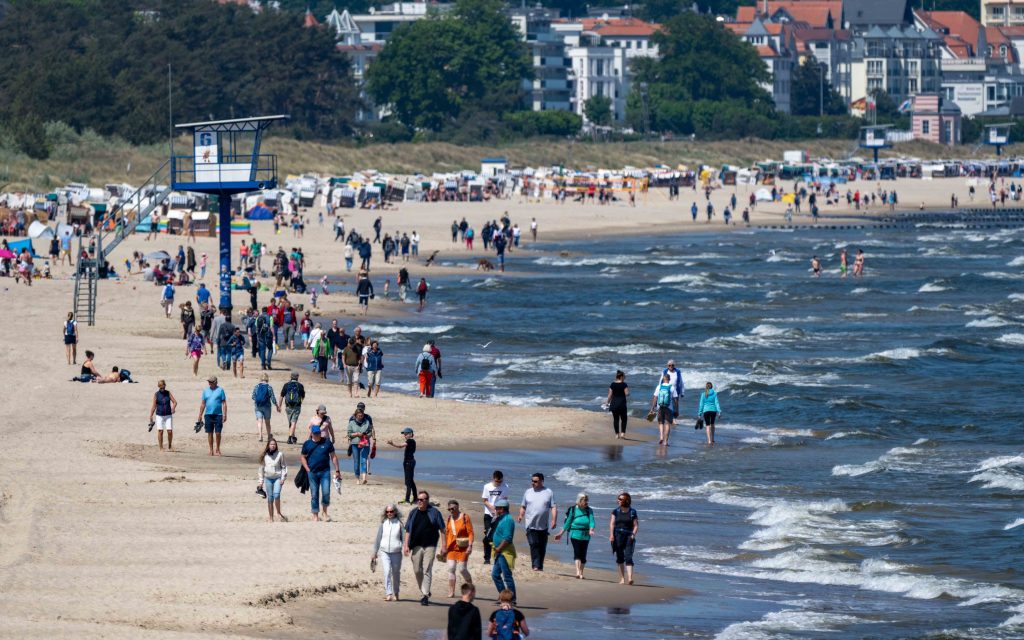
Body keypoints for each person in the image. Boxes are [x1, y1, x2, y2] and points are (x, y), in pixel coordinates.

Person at [404, 490, 446, 606]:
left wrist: (443, 546)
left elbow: (442, 529)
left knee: (427, 569)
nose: (420, 502)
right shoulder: (413, 513)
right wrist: (406, 545)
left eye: (422, 500)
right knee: (417, 570)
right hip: (416, 545)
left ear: (427, 501)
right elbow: (407, 530)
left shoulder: (435, 512)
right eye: (418, 500)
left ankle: (425, 595)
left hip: (430, 545)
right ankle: (424, 590)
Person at [300, 424, 341, 522]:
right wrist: (307, 469)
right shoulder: (307, 444)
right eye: (315, 433)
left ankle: (325, 512)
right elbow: (302, 457)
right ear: (312, 434)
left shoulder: (327, 442)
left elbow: (333, 456)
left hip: (325, 472)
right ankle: (315, 514)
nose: (317, 435)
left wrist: (337, 470)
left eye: (318, 433)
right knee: (314, 494)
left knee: (326, 492)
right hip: (312, 472)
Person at [517, 473, 556, 572]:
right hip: (530, 524)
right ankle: (535, 565)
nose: (532, 483)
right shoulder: (528, 492)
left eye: (535, 481)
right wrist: (521, 515)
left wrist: (554, 519)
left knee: (542, 546)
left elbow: (553, 507)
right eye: (532, 481)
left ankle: (540, 566)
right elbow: (523, 506)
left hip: (543, 525)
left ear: (542, 481)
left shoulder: (548, 492)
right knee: (533, 544)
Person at [553, 493, 596, 579]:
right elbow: (567, 523)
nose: (586, 502)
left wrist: (591, 529)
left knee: (583, 554)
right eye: (584, 500)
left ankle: (581, 572)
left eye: (587, 500)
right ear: (579, 500)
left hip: (586, 535)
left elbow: (592, 521)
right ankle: (577, 572)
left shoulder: (589, 510)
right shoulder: (573, 510)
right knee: (577, 552)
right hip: (574, 534)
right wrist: (560, 534)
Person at [373, 504, 405, 602]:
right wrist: (375, 552)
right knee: (387, 572)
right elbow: (378, 539)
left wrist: (405, 547)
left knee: (396, 573)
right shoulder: (383, 523)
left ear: (395, 512)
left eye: (391, 511)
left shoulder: (399, 524)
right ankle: (388, 593)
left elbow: (404, 538)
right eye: (387, 512)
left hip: (396, 552)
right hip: (384, 551)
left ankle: (396, 592)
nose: (389, 513)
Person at [444, 500, 475, 597]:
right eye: (449, 509)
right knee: (451, 568)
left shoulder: (465, 517)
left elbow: (470, 532)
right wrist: (444, 546)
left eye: (452, 508)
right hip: (451, 548)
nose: (451, 510)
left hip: (463, 547)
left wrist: (470, 545)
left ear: (458, 507)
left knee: (462, 569)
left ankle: (470, 587)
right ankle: (451, 591)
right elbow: (446, 533)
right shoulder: (449, 519)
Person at [489, 500, 517, 604]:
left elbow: (507, 538)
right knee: (495, 575)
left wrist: (499, 548)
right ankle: (503, 596)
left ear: (502, 509)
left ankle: (512, 599)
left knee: (507, 576)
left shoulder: (508, 520)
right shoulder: (501, 518)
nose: (495, 510)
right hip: (499, 552)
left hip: (504, 552)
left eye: (496, 508)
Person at [481, 471, 510, 565]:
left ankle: (499, 556)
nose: (499, 483)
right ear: (493, 479)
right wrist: (493, 508)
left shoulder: (505, 487)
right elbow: (485, 501)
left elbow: (504, 501)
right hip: (488, 514)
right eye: (497, 481)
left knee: (498, 536)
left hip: (500, 515)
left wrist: (499, 511)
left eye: (500, 481)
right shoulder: (487, 486)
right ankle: (487, 558)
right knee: (488, 536)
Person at [610, 492, 639, 585]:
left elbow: (636, 525)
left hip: (629, 536)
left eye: (620, 499)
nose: (618, 500)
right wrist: (611, 535)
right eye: (618, 499)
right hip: (617, 535)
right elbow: (612, 524)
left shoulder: (632, 512)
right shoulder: (615, 511)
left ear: (626, 500)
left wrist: (633, 534)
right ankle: (622, 578)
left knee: (628, 556)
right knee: (620, 557)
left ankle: (630, 578)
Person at [257, 437, 287, 522]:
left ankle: (278, 512)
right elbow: (261, 470)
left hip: (277, 478)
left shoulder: (280, 454)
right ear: (268, 445)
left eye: (274, 444)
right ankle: (271, 517)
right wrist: (260, 482)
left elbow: (284, 467)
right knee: (270, 498)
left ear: (276, 445)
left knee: (276, 495)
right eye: (271, 444)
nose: (273, 446)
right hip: (268, 479)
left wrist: (283, 478)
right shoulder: (265, 456)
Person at [198, 375, 227, 456]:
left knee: (218, 433)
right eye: (209, 382)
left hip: (218, 414)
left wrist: (225, 415)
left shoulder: (220, 390)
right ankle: (211, 450)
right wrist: (200, 415)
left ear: (215, 382)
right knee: (210, 433)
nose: (209, 383)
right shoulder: (205, 391)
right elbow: (203, 404)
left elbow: (224, 403)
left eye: (211, 382)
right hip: (208, 415)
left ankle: (217, 448)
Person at [347, 405, 375, 484]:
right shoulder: (351, 422)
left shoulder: (367, 421)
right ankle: (357, 478)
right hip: (355, 443)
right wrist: (356, 434)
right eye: (359, 415)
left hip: (365, 443)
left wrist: (366, 435)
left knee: (364, 460)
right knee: (356, 461)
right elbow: (349, 434)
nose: (360, 417)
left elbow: (370, 432)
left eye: (362, 415)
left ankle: (364, 478)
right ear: (355, 415)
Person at [388, 427, 417, 503]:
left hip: (409, 462)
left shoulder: (410, 441)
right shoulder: (410, 441)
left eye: (406, 434)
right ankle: (415, 498)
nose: (405, 435)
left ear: (411, 434)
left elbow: (400, 446)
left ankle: (407, 500)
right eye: (404, 434)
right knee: (410, 481)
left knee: (408, 482)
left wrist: (392, 444)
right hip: (409, 462)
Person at [650, 372, 678, 446]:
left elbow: (655, 397)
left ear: (663, 379)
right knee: (668, 424)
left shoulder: (659, 386)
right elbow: (675, 399)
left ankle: (661, 437)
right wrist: (676, 409)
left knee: (660, 423)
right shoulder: (672, 387)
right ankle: (666, 441)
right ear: (669, 379)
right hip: (669, 408)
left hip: (660, 407)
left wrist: (652, 408)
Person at [148, 379, 177, 451]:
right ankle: (161, 447)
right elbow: (154, 406)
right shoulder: (156, 394)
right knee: (160, 431)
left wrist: (173, 408)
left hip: (168, 415)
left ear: (165, 386)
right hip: (159, 415)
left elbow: (175, 402)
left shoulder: (168, 393)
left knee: (169, 431)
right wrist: (151, 415)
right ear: (158, 387)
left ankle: (170, 446)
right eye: (161, 388)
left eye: (163, 387)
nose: (162, 389)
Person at [252, 373, 279, 442]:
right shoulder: (269, 387)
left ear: (261, 379)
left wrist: (258, 401)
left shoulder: (257, 386)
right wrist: (277, 405)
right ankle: (269, 436)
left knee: (259, 421)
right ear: (267, 379)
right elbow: (273, 398)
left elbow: (253, 397)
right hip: (267, 406)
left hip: (258, 406)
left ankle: (260, 435)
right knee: (267, 422)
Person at [280, 372, 305, 444]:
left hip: (288, 406)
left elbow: (281, 396)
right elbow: (303, 396)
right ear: (297, 377)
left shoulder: (286, 385)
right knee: (293, 422)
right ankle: (290, 437)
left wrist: (279, 405)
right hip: (297, 406)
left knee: (290, 422)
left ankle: (293, 437)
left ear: (291, 377)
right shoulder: (300, 386)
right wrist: (300, 402)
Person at [606, 370, 629, 439]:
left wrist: (607, 402)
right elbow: (626, 393)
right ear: (621, 377)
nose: (625, 377)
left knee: (616, 419)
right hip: (622, 404)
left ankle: (616, 434)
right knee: (624, 419)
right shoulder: (624, 384)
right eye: (624, 376)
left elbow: (610, 395)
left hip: (614, 404)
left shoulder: (612, 384)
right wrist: (628, 393)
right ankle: (622, 434)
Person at [696, 381, 721, 446]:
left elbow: (701, 404)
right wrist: (719, 411)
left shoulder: (703, 394)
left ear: (706, 387)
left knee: (707, 425)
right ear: (712, 387)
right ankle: (712, 439)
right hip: (713, 411)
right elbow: (716, 403)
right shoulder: (715, 393)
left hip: (706, 411)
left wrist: (699, 414)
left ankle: (709, 441)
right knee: (712, 424)